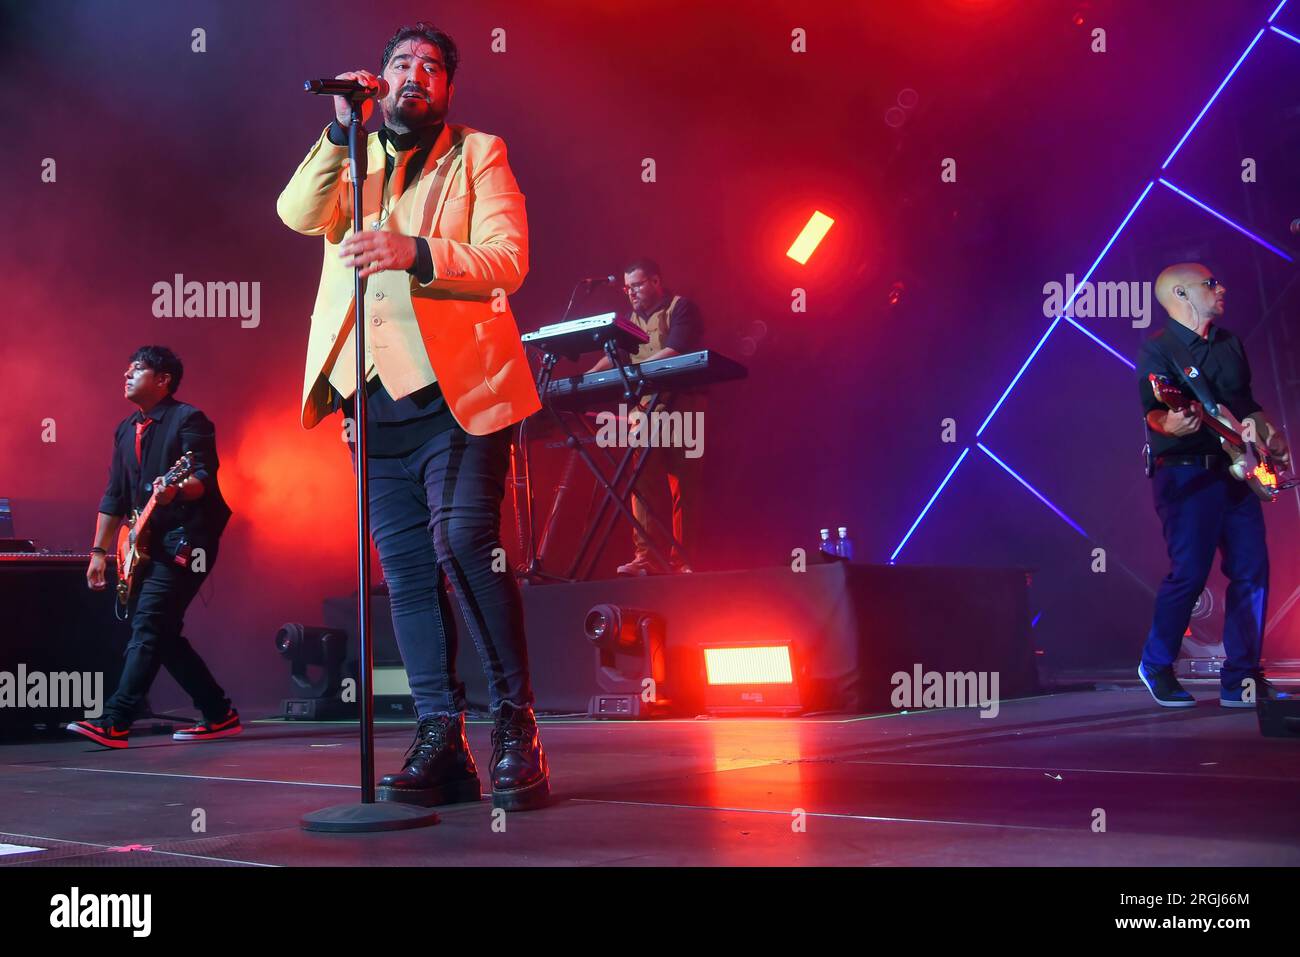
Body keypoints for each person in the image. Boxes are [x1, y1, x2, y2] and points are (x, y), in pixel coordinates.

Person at [277, 22, 549, 809]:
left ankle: (515, 725)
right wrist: (339, 130)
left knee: (462, 541)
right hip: (371, 401)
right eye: (401, 63)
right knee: (404, 573)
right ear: (380, 79)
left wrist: (417, 251)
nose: (414, 75)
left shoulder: (478, 153)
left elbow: (508, 259)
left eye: (432, 67)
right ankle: (441, 736)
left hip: (459, 394)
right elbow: (295, 212)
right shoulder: (352, 155)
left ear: (448, 87)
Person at [1135, 263, 1291, 709]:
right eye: (1210, 283)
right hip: (1186, 472)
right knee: (1189, 572)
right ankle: (1157, 664)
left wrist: (1270, 437)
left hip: (1237, 470)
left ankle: (1241, 678)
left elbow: (1245, 404)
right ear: (1181, 294)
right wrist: (1172, 424)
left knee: (1251, 570)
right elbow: (1154, 412)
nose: (1221, 288)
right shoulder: (1158, 349)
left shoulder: (1229, 344)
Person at [73, 346, 239, 748]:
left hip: (188, 541)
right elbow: (114, 496)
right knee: (162, 633)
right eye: (127, 368)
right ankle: (218, 713)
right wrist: (99, 552)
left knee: (149, 625)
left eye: (137, 369)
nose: (126, 375)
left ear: (163, 380)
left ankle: (115, 721)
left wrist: (176, 490)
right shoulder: (125, 429)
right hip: (144, 541)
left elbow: (202, 479)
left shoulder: (189, 419)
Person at [587, 258, 704, 575]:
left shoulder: (681, 308)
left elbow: (675, 350)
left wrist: (635, 371)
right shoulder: (629, 321)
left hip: (682, 406)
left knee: (685, 486)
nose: (631, 292)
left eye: (637, 285)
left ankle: (684, 560)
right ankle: (647, 558)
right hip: (644, 410)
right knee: (642, 483)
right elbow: (614, 356)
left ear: (656, 281)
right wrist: (587, 377)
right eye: (627, 287)